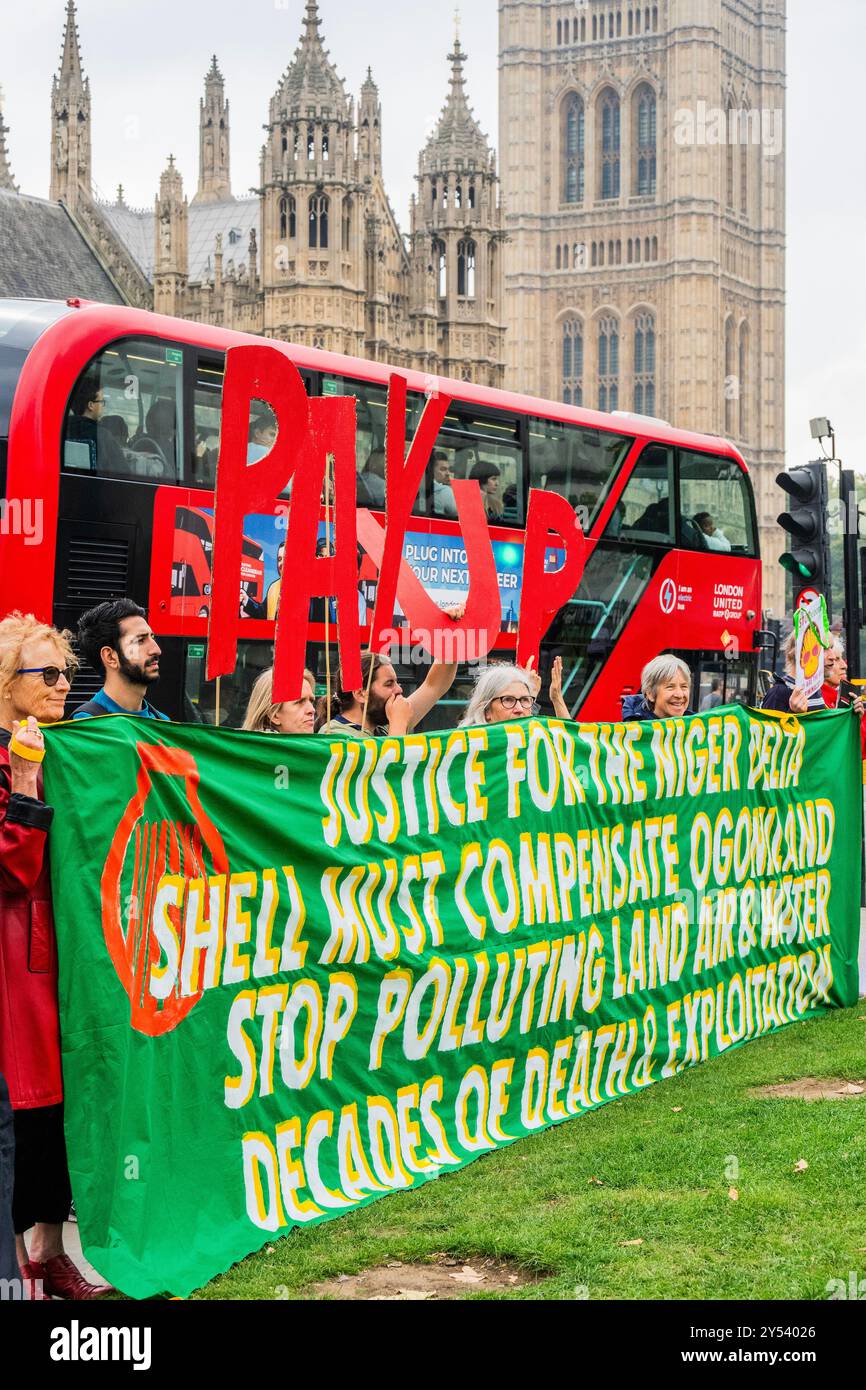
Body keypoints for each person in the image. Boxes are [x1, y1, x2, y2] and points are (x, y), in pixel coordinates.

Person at [0, 611, 112, 1299]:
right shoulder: (17, 759)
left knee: (56, 1121)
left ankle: (48, 1255)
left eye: (67, 672)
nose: (64, 684)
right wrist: (23, 784)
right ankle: (17, 1270)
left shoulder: (65, 747)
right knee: (19, 1122)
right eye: (47, 673)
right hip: (15, 975)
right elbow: (9, 868)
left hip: (64, 963)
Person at [317, 651, 456, 739]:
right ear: (360, 694)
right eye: (389, 684)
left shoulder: (383, 726)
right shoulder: (334, 735)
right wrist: (399, 724)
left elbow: (434, 687)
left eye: (397, 682)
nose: (399, 690)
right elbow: (387, 773)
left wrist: (453, 641)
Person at [73, 599, 169, 721]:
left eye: (152, 637)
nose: (157, 650)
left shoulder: (163, 722)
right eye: (140, 640)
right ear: (110, 657)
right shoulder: (88, 725)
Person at [66, 374, 125, 473]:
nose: (103, 406)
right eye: (101, 401)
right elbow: (124, 473)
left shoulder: (61, 430)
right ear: (91, 405)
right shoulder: (102, 436)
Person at [243, 668, 316, 736]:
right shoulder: (260, 749)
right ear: (273, 715)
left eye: (311, 701)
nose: (312, 710)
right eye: (299, 702)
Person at [761, 631, 820, 715]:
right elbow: (769, 726)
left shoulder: (816, 689)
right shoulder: (778, 692)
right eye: (824, 649)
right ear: (803, 653)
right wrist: (794, 713)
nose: (832, 656)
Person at [621, 655, 694, 721]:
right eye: (670, 687)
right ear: (650, 694)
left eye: (684, 686)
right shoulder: (633, 732)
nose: (680, 695)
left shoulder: (698, 729)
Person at [242, 543, 284, 622]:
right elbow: (262, 613)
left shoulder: (305, 589)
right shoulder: (273, 587)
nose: (281, 563)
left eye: (285, 558)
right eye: (279, 559)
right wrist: (246, 599)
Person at [432, 452, 458, 519]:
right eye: (443, 469)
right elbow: (460, 513)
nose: (448, 473)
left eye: (448, 469)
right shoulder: (444, 491)